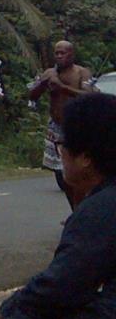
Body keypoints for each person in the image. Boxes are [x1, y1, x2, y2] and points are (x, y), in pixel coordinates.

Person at [0, 92, 116, 319]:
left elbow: (62, 284)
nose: (60, 152)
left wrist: (2, 314)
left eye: (62, 144)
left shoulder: (101, 210)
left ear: (85, 157)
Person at [29, 40, 96, 210]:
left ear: (71, 54)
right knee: (63, 176)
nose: (59, 56)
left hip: (78, 127)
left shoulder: (82, 73)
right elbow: (32, 95)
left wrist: (62, 87)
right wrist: (43, 84)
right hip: (56, 128)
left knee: (78, 174)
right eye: (57, 53)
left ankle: (81, 210)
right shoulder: (49, 73)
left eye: (63, 53)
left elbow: (88, 97)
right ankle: (75, 211)